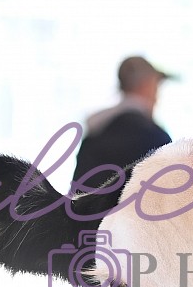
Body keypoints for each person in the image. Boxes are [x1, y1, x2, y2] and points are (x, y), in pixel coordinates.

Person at [72, 55, 174, 189]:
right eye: (156, 87)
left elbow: (76, 196)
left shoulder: (95, 133)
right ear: (146, 85)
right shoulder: (155, 137)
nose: (157, 98)